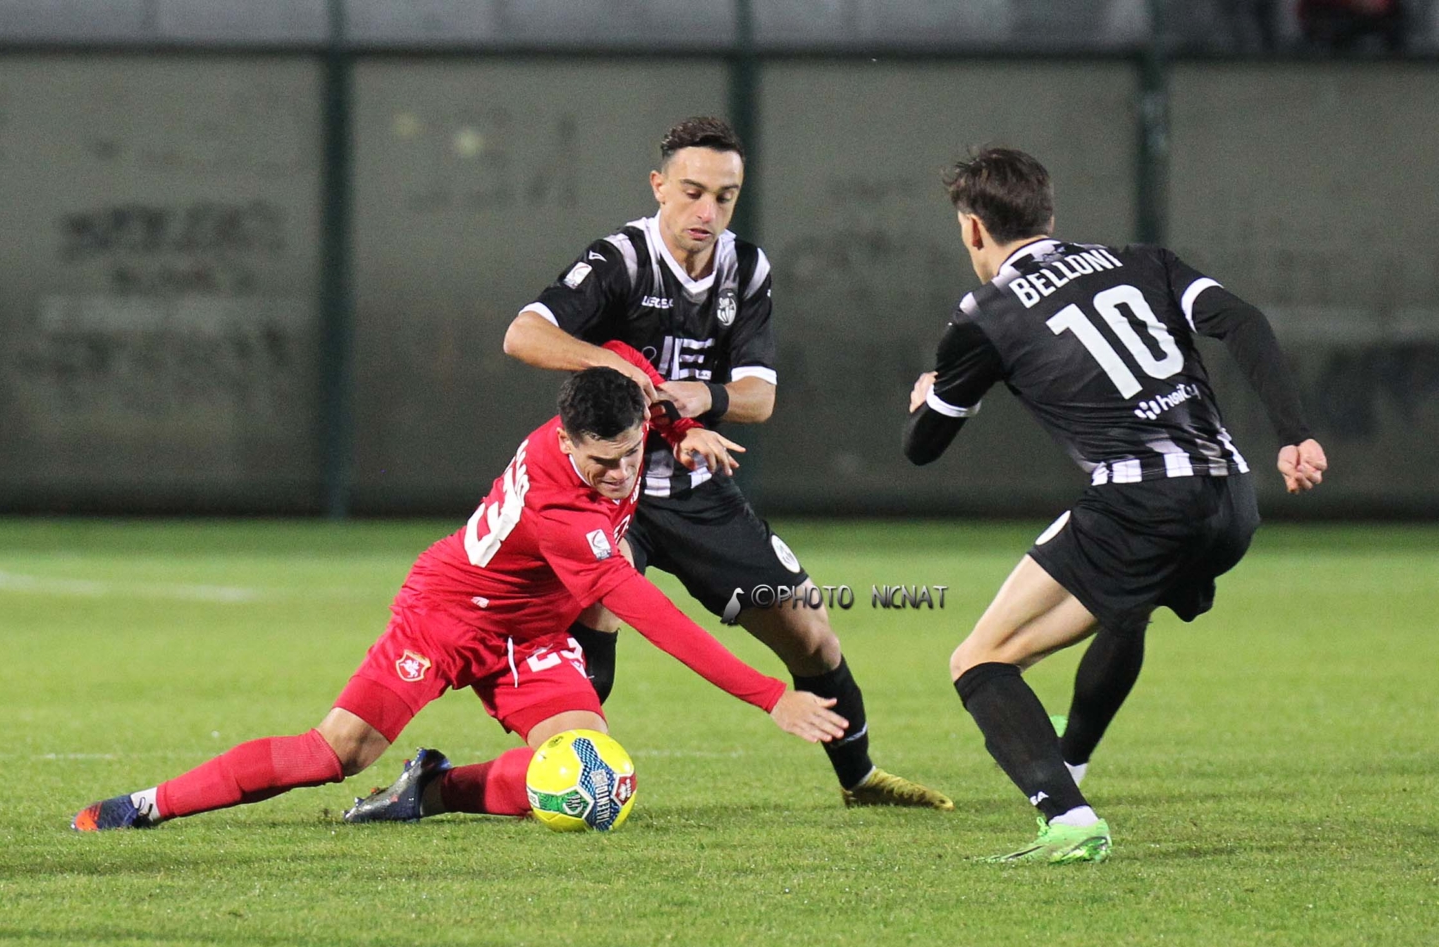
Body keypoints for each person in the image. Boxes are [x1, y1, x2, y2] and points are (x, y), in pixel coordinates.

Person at [72, 366, 846, 831]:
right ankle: (143, 807)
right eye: (600, 463)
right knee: (333, 755)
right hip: (445, 616)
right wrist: (769, 696)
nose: (618, 475)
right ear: (568, 441)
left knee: (592, 779)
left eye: (630, 455)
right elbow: (654, 616)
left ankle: (432, 792)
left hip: (532, 634)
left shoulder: (629, 416)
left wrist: (683, 432)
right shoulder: (562, 510)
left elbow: (655, 402)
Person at [494, 116, 951, 810]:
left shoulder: (748, 268)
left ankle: (860, 779)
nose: (707, 211)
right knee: (599, 611)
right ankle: (554, 779)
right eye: (692, 191)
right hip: (612, 490)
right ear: (659, 186)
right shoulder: (621, 259)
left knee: (810, 632)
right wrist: (617, 367)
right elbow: (524, 334)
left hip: (700, 490)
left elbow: (760, 397)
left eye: (725, 196)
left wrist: (700, 397)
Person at [903, 147, 1328, 863]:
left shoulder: (986, 311)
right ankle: (1069, 759)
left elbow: (922, 447)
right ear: (1049, 214)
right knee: (1124, 608)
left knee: (979, 661)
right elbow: (1244, 321)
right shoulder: (1143, 262)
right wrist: (1294, 433)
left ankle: (1067, 818)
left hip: (1143, 499)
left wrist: (927, 399)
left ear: (974, 229)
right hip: (1232, 499)